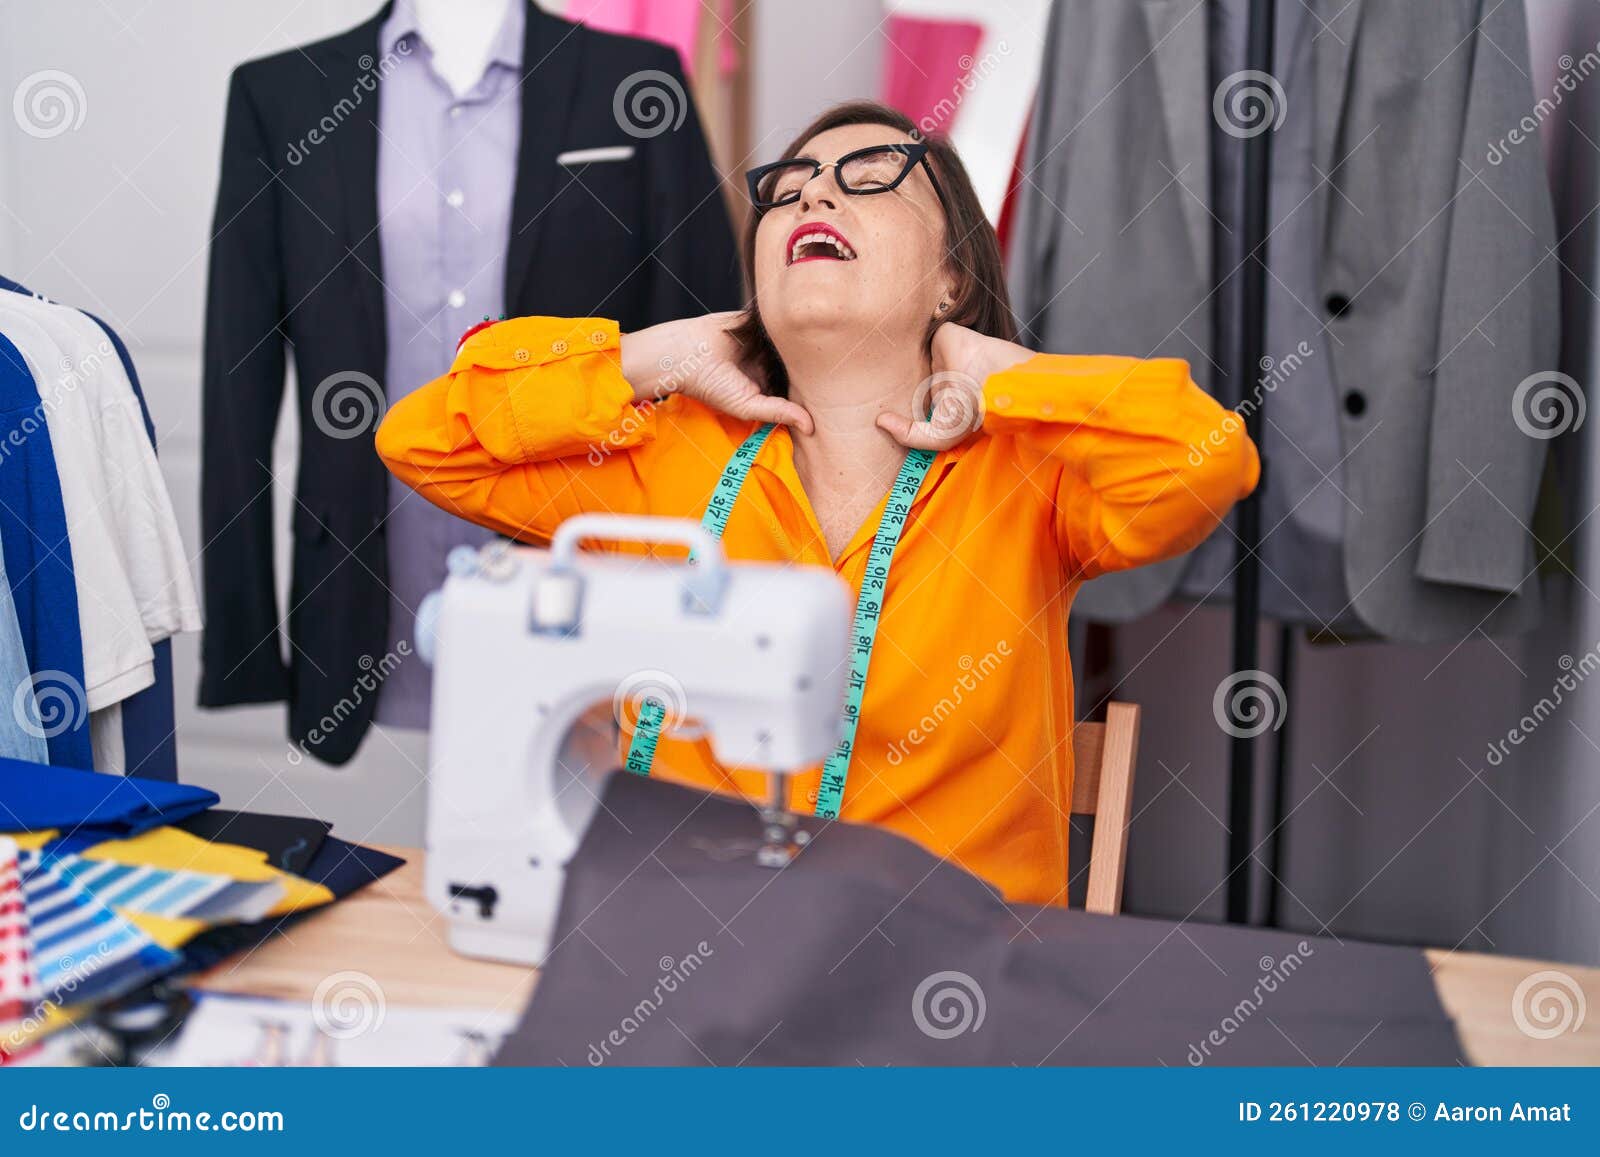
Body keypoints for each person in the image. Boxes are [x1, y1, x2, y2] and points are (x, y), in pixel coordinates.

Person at [376, 100, 1259, 906]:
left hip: (952, 997)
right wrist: (661, 351)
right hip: (684, 963)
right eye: (787, 189)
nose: (812, 199)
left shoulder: (1030, 473)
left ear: (952, 276)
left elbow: (1205, 458)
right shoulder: (662, 451)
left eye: (869, 176)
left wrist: (995, 370)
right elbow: (423, 440)